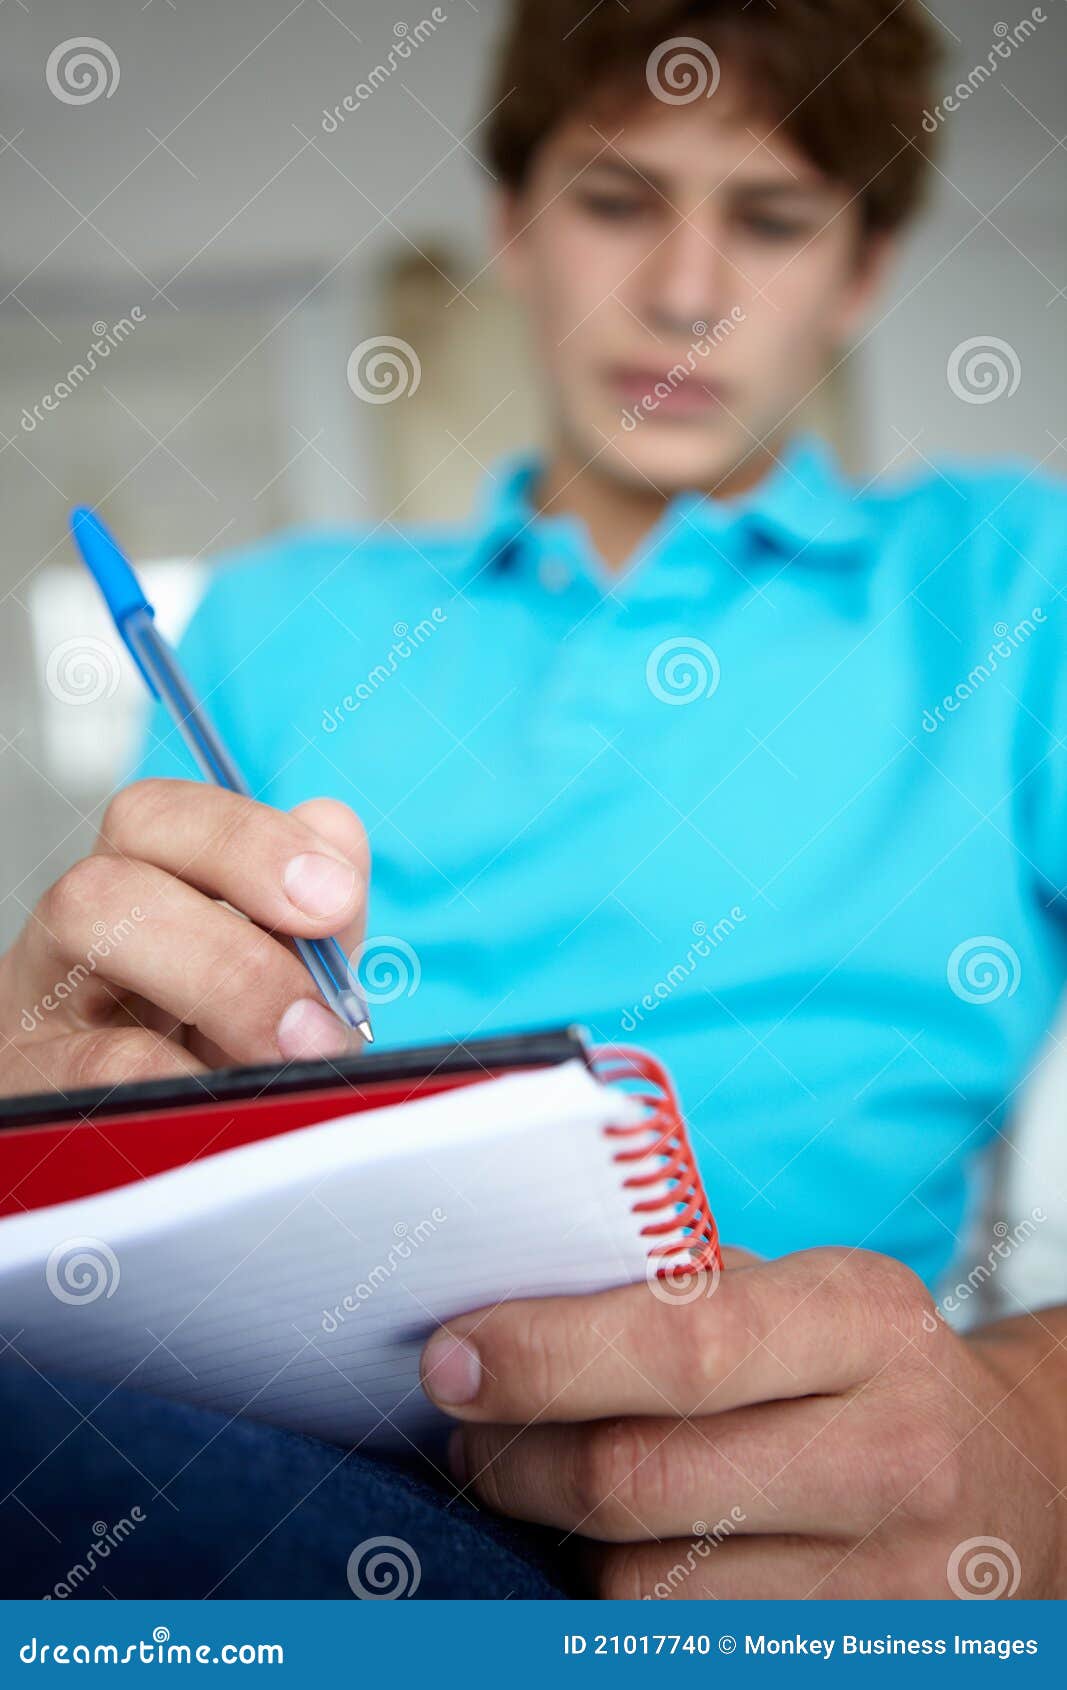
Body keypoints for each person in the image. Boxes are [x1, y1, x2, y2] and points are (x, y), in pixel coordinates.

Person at [1, 0, 1065, 1598]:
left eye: (771, 220)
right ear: (512, 224)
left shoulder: (1017, 588)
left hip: (764, 1531)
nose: (687, 290)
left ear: (862, 274)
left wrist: (1032, 1430)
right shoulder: (282, 624)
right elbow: (133, 1104)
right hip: (275, 1452)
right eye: (619, 199)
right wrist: (52, 1110)